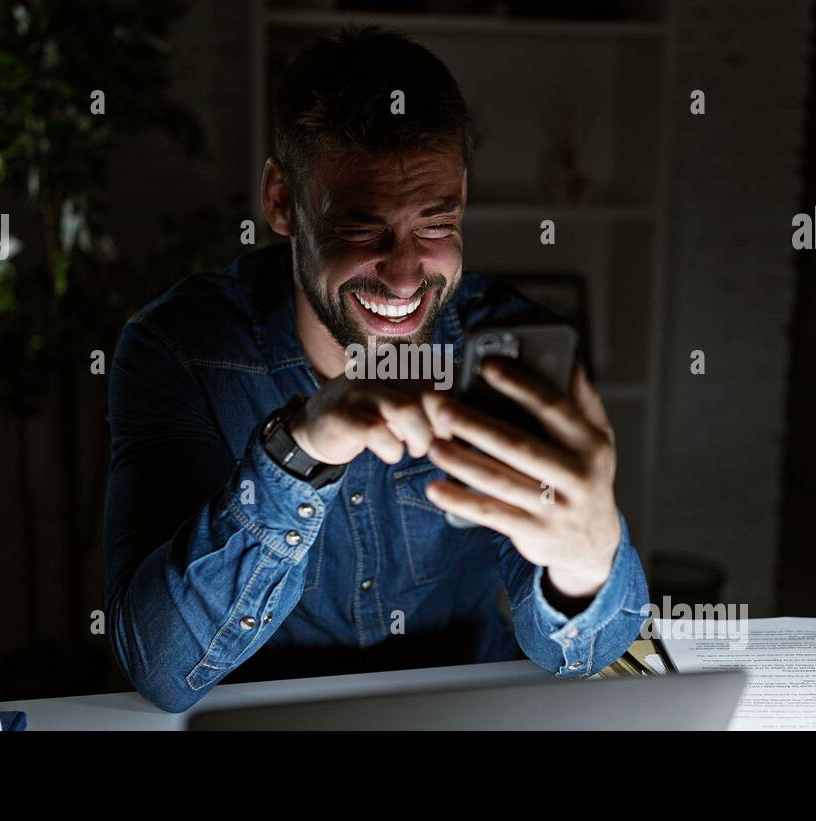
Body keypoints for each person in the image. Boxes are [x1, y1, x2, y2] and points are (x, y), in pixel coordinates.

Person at [103, 25, 648, 712]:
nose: (404, 274)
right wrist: (301, 449)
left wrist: (585, 563)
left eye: (436, 225)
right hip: (265, 726)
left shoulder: (508, 346)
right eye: (362, 230)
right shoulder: (179, 348)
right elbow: (159, 667)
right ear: (281, 202)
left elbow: (583, 656)